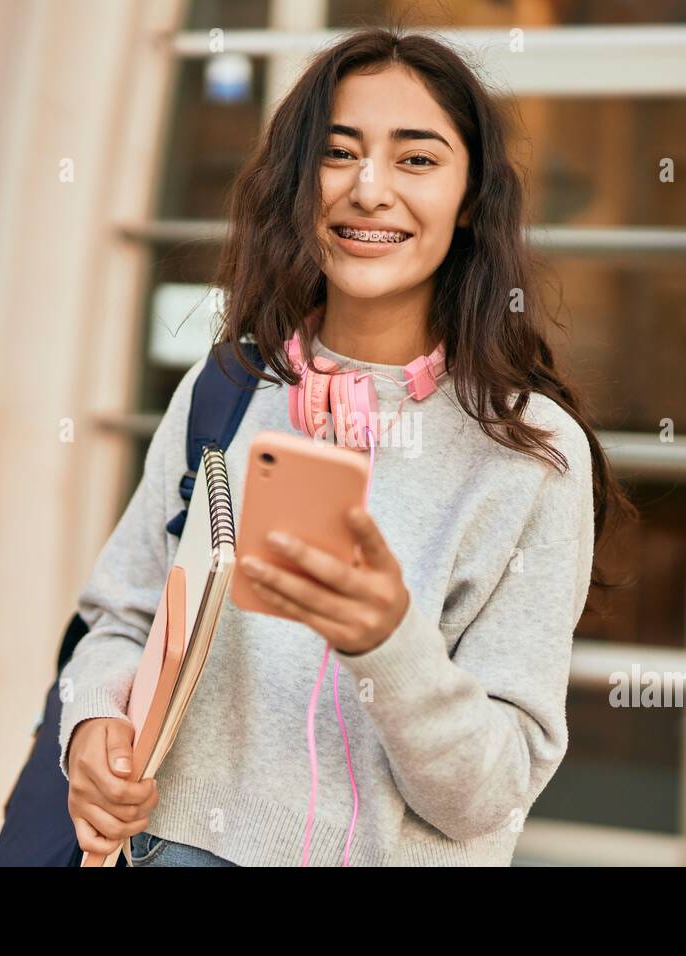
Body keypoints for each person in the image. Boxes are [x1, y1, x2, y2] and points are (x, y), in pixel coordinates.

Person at [59, 26, 628, 867]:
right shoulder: (224, 392)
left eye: (417, 159)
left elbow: (488, 794)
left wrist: (389, 642)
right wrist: (92, 727)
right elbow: (121, 616)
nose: (369, 189)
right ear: (300, 181)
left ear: (471, 198)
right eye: (339, 153)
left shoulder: (535, 455)